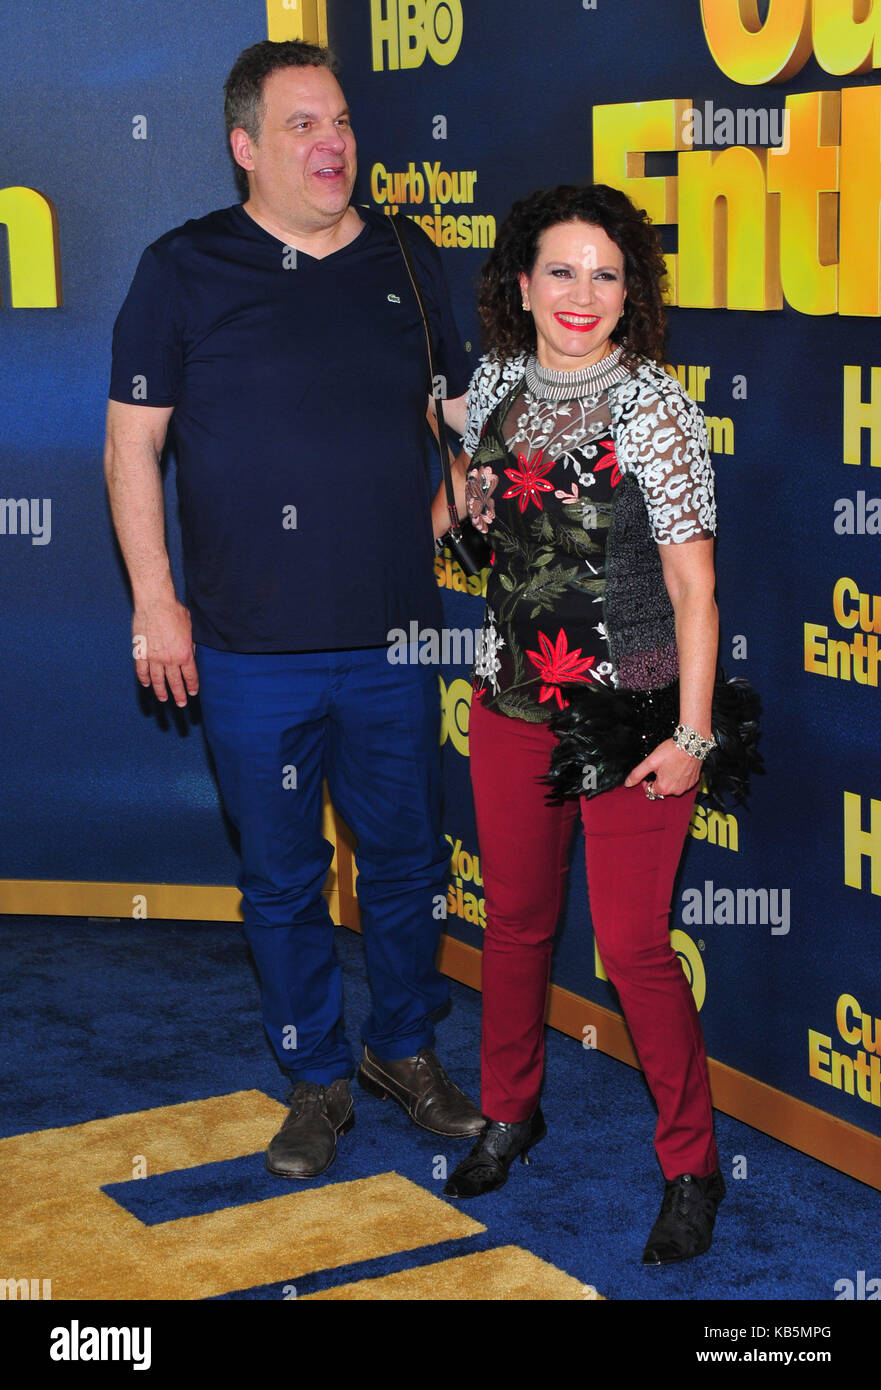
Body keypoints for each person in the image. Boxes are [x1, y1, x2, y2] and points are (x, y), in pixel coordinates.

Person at [104, 38, 484, 1180]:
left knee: (409, 863)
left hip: (394, 640)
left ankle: (401, 1052)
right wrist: (155, 604)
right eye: (302, 127)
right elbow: (133, 449)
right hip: (247, 649)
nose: (332, 146)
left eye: (342, 124)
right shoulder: (182, 269)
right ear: (243, 147)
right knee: (279, 876)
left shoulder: (409, 261)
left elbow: (457, 421)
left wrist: (430, 519)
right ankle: (315, 1078)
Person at [434, 183, 725, 1264]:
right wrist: (461, 497)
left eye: (605, 274)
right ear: (521, 283)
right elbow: (463, 476)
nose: (580, 293)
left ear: (629, 294)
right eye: (559, 269)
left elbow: (695, 590)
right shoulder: (500, 379)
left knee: (635, 946)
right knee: (510, 925)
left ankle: (691, 1165)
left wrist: (690, 736)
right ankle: (509, 1111)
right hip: (509, 702)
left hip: (630, 715)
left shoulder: (657, 408)